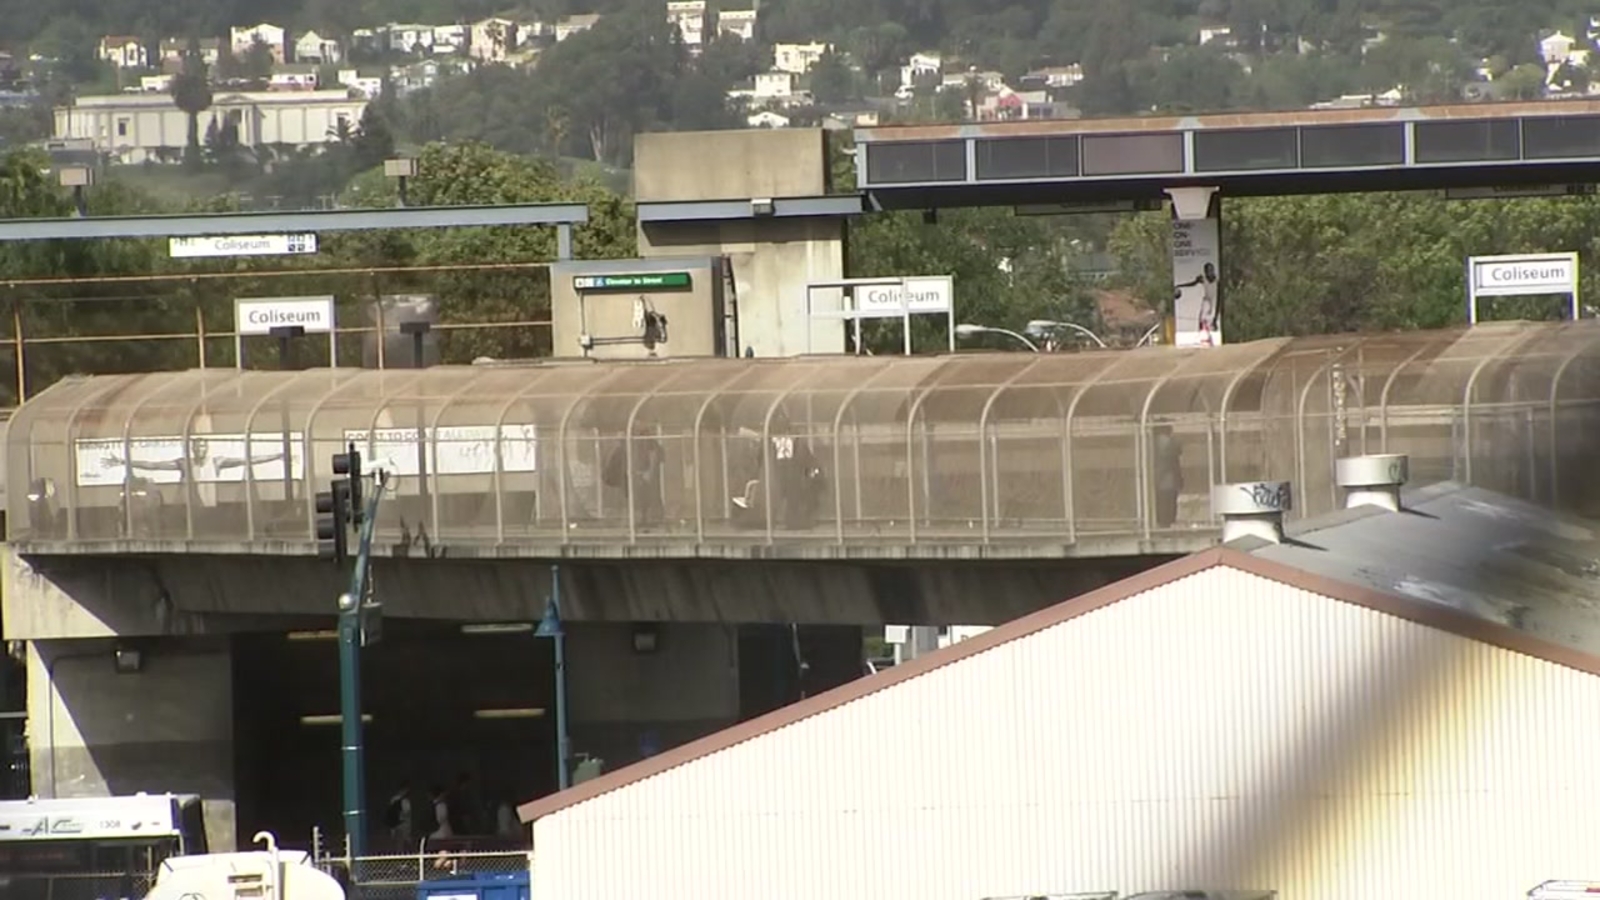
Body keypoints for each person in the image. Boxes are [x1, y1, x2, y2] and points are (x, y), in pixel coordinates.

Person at [1174, 262, 1220, 346]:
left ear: (1213, 270)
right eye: (1207, 271)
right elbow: (1192, 283)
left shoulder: (1217, 281)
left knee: (1211, 321)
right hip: (1206, 300)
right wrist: (1180, 285)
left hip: (1214, 302)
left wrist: (1216, 318)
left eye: (1210, 270)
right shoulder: (1202, 278)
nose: (1209, 273)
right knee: (1201, 319)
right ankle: (1202, 336)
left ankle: (1210, 338)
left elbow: (1219, 298)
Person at [1152, 427, 1183, 528]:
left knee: (1161, 507)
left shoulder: (1153, 443)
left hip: (1160, 481)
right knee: (1169, 506)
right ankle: (1167, 524)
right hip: (1169, 481)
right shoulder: (1171, 443)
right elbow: (1174, 462)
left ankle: (1162, 524)